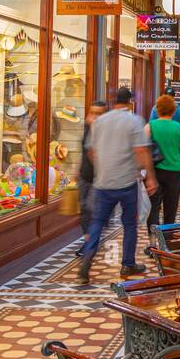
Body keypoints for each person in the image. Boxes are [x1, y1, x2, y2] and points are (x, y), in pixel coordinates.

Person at [77, 87, 158, 284]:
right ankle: (127, 263)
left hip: (103, 182)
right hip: (126, 182)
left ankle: (87, 260)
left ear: (114, 102)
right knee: (130, 223)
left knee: (97, 222)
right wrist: (150, 178)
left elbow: (91, 150)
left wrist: (102, 167)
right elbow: (141, 150)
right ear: (130, 102)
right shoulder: (134, 121)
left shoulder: (101, 121)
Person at [147, 94, 180, 231]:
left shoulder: (150, 126)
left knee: (154, 207)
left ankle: (153, 241)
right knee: (171, 207)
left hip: (155, 171)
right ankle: (167, 239)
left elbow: (142, 150)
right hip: (174, 172)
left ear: (157, 110)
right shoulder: (178, 128)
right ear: (173, 111)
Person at [77, 99, 108, 253]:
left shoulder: (107, 132)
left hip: (99, 177)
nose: (94, 116)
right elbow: (83, 151)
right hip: (84, 175)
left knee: (93, 209)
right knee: (84, 208)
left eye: (99, 114)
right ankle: (88, 240)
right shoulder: (87, 128)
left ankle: (90, 245)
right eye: (92, 113)